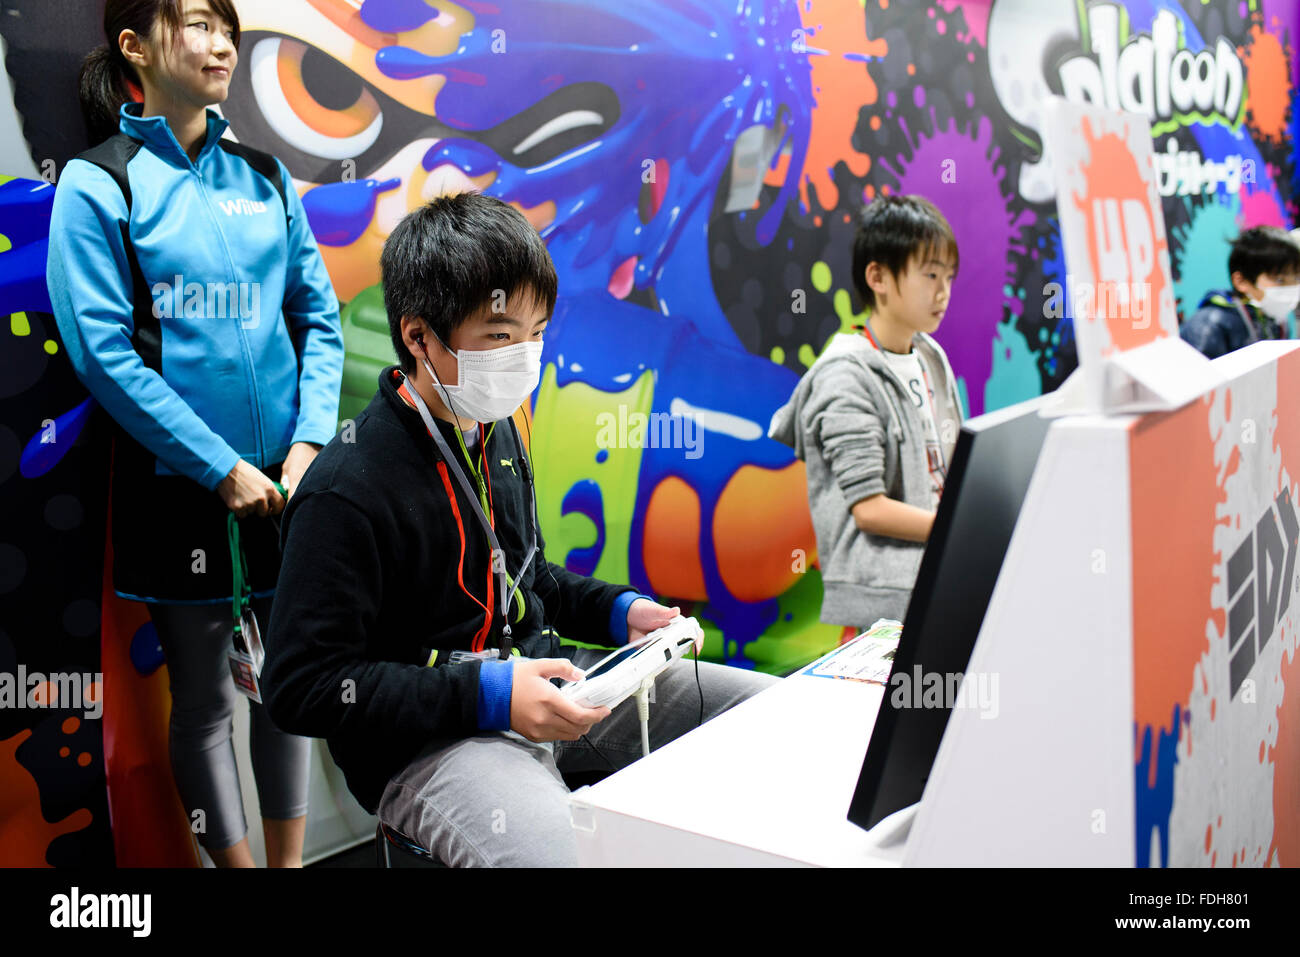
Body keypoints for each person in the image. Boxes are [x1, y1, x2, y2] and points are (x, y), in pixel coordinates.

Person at [262, 191, 778, 867]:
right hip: (432, 743)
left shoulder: (496, 429)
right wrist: (487, 693)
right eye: (502, 337)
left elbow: (528, 580)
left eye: (537, 333)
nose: (526, 357)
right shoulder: (345, 489)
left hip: (552, 681)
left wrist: (622, 611)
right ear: (419, 336)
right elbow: (302, 686)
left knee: (769, 718)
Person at [46, 0, 344, 867]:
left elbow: (318, 318)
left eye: (225, 25)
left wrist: (309, 443)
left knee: (285, 686)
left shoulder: (265, 174)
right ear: (135, 46)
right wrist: (219, 468)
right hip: (182, 492)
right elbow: (103, 356)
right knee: (207, 703)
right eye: (196, 25)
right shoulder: (99, 182)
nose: (220, 44)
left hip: (287, 482)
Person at [769, 194, 963, 636]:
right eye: (930, 274)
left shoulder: (930, 356)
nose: (943, 291)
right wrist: (959, 530)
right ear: (877, 276)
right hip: (881, 605)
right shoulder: (844, 376)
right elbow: (869, 510)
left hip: (935, 578)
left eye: (949, 276)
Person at [1180, 225, 1300, 359]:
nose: (1292, 287)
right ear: (1241, 281)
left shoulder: (1275, 319)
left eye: (1296, 278)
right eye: (1279, 280)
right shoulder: (1209, 324)